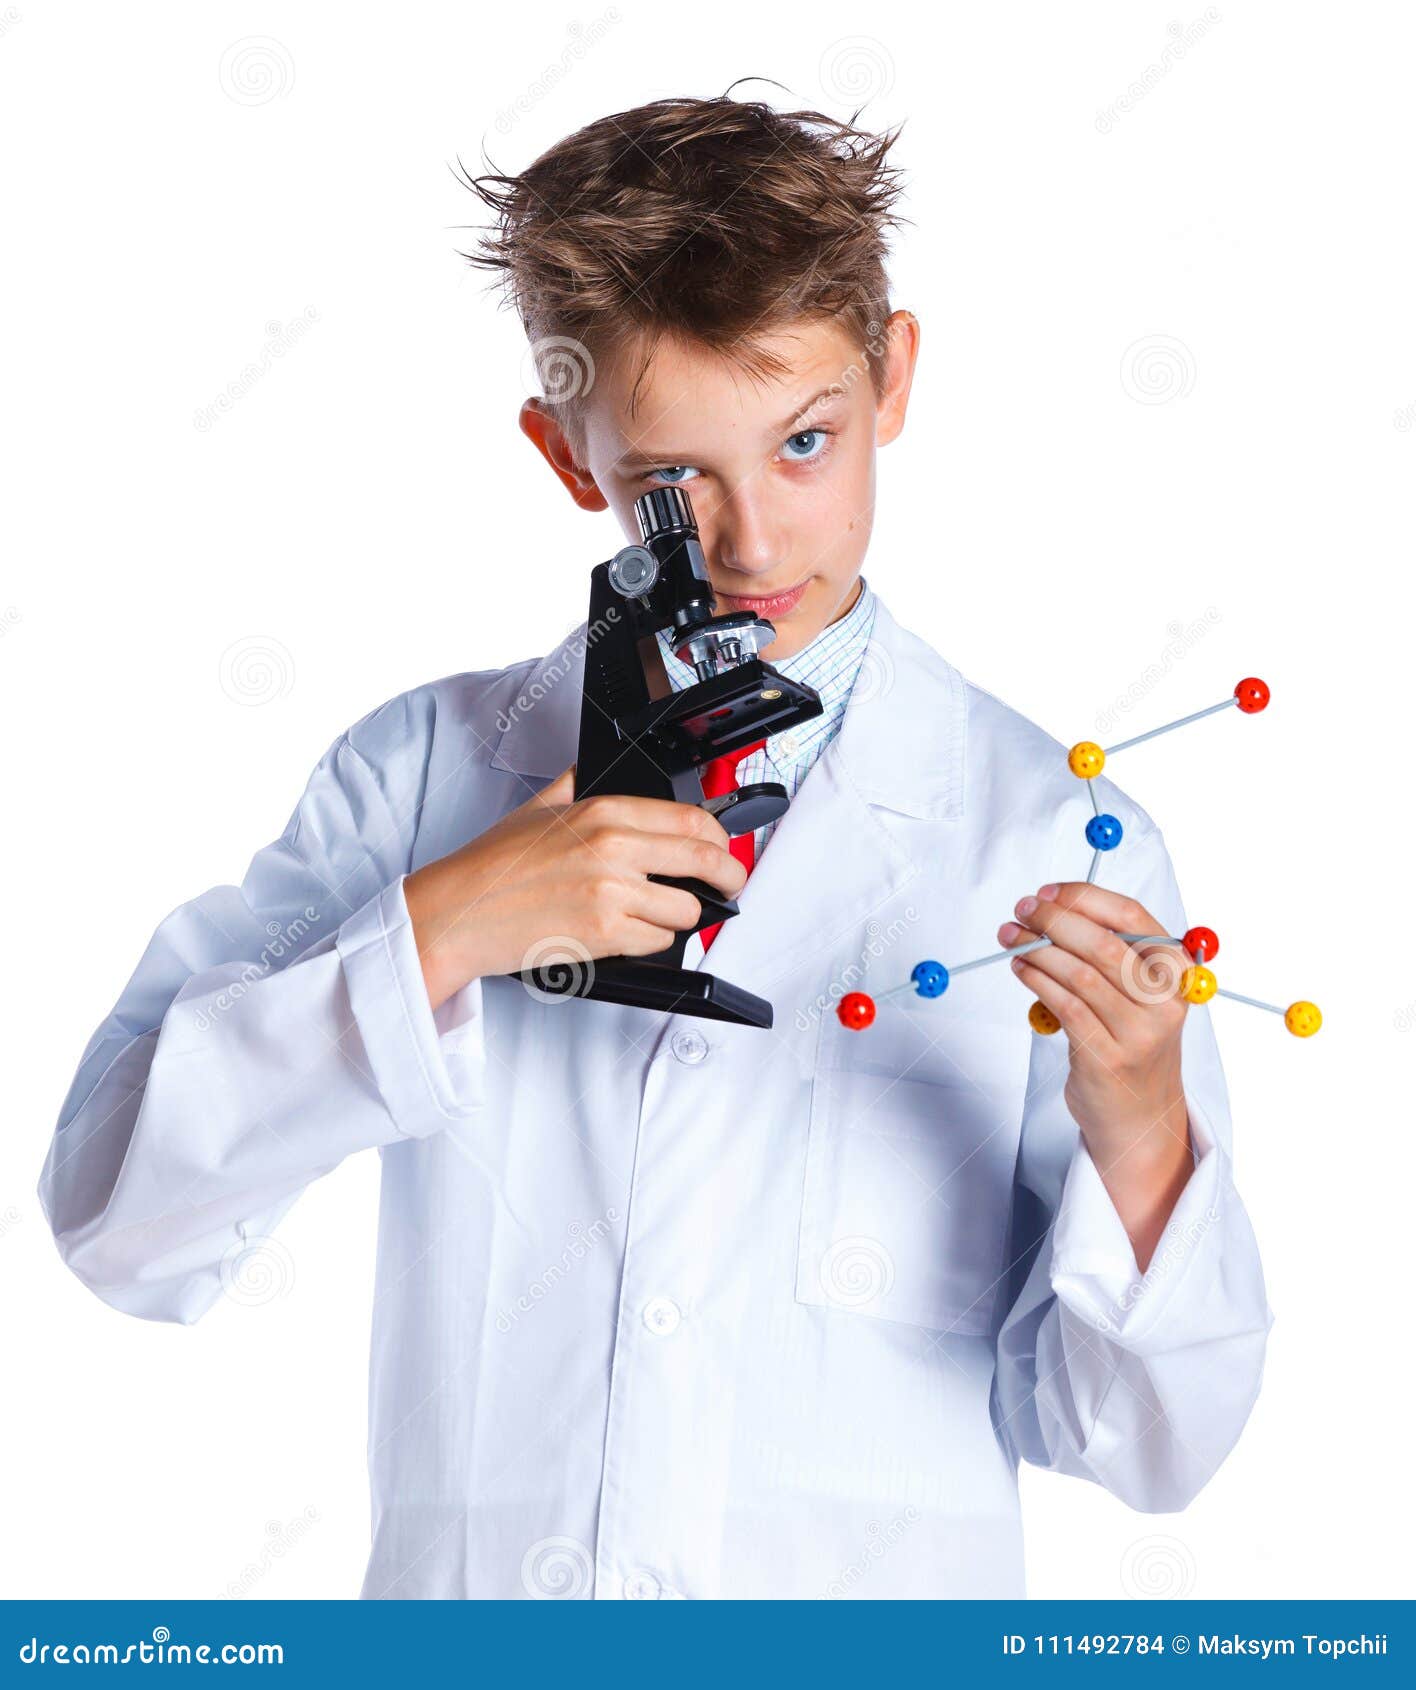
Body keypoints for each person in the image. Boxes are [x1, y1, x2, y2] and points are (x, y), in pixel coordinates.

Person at [38, 93, 1271, 1600]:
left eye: (805, 441)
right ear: (568, 454)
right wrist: (436, 931)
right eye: (671, 481)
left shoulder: (1047, 829)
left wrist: (1143, 1126)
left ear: (894, 379)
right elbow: (120, 1218)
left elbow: (1149, 1444)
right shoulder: (424, 776)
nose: (752, 540)